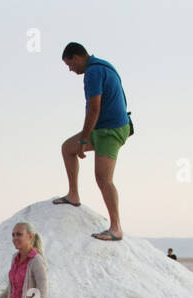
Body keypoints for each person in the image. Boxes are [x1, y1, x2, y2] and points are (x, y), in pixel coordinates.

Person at [54, 42, 130, 242]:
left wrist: (83, 140)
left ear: (78, 57)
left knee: (103, 178)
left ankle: (116, 228)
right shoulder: (103, 66)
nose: (70, 70)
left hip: (111, 130)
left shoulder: (94, 72)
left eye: (70, 64)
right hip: (102, 127)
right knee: (66, 148)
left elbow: (94, 108)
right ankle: (73, 195)